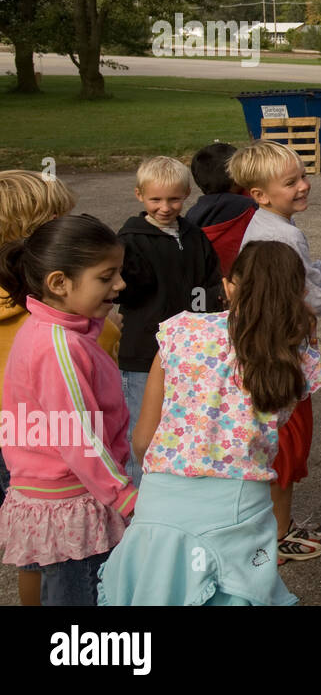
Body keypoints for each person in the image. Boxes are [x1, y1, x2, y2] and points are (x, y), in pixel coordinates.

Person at [98, 241, 321, 605]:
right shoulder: (297, 356)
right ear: (299, 292)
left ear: (229, 286)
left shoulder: (178, 332)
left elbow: (143, 439)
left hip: (163, 498)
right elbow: (271, 432)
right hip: (238, 502)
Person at [232, 139, 321, 563]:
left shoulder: (266, 226)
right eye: (291, 182)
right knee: (284, 448)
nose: (304, 186)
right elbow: (317, 300)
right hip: (282, 360)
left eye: (304, 176)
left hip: (268, 351)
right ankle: (278, 537)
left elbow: (300, 279)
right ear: (260, 194)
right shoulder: (283, 235)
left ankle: (272, 528)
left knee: (277, 447)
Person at [0, 171, 125, 606]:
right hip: (74, 495)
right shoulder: (59, 344)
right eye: (107, 277)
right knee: (81, 597)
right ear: (58, 281)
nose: (120, 286)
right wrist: (124, 494)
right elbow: (77, 435)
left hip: (54, 488)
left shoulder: (48, 327)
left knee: (57, 586)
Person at [117, 157, 223, 488]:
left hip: (191, 350)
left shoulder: (195, 236)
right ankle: (136, 508)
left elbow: (210, 283)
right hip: (143, 352)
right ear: (139, 196)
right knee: (142, 434)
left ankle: (176, 494)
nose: (165, 207)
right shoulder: (129, 240)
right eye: (156, 200)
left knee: (186, 425)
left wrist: (207, 314)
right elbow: (124, 292)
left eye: (174, 199)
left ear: (187, 194)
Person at [186, 142, 257, 277]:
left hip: (210, 286)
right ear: (236, 177)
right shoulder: (251, 208)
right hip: (246, 282)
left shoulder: (191, 217)